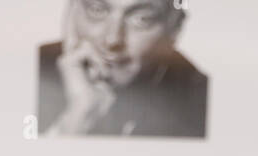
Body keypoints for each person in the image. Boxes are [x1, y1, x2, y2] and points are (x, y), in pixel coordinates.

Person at [38, 0, 207, 138]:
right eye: (96, 10)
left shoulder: (202, 101)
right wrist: (76, 119)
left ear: (175, 27)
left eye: (142, 19)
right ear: (71, 11)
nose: (112, 39)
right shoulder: (31, 67)